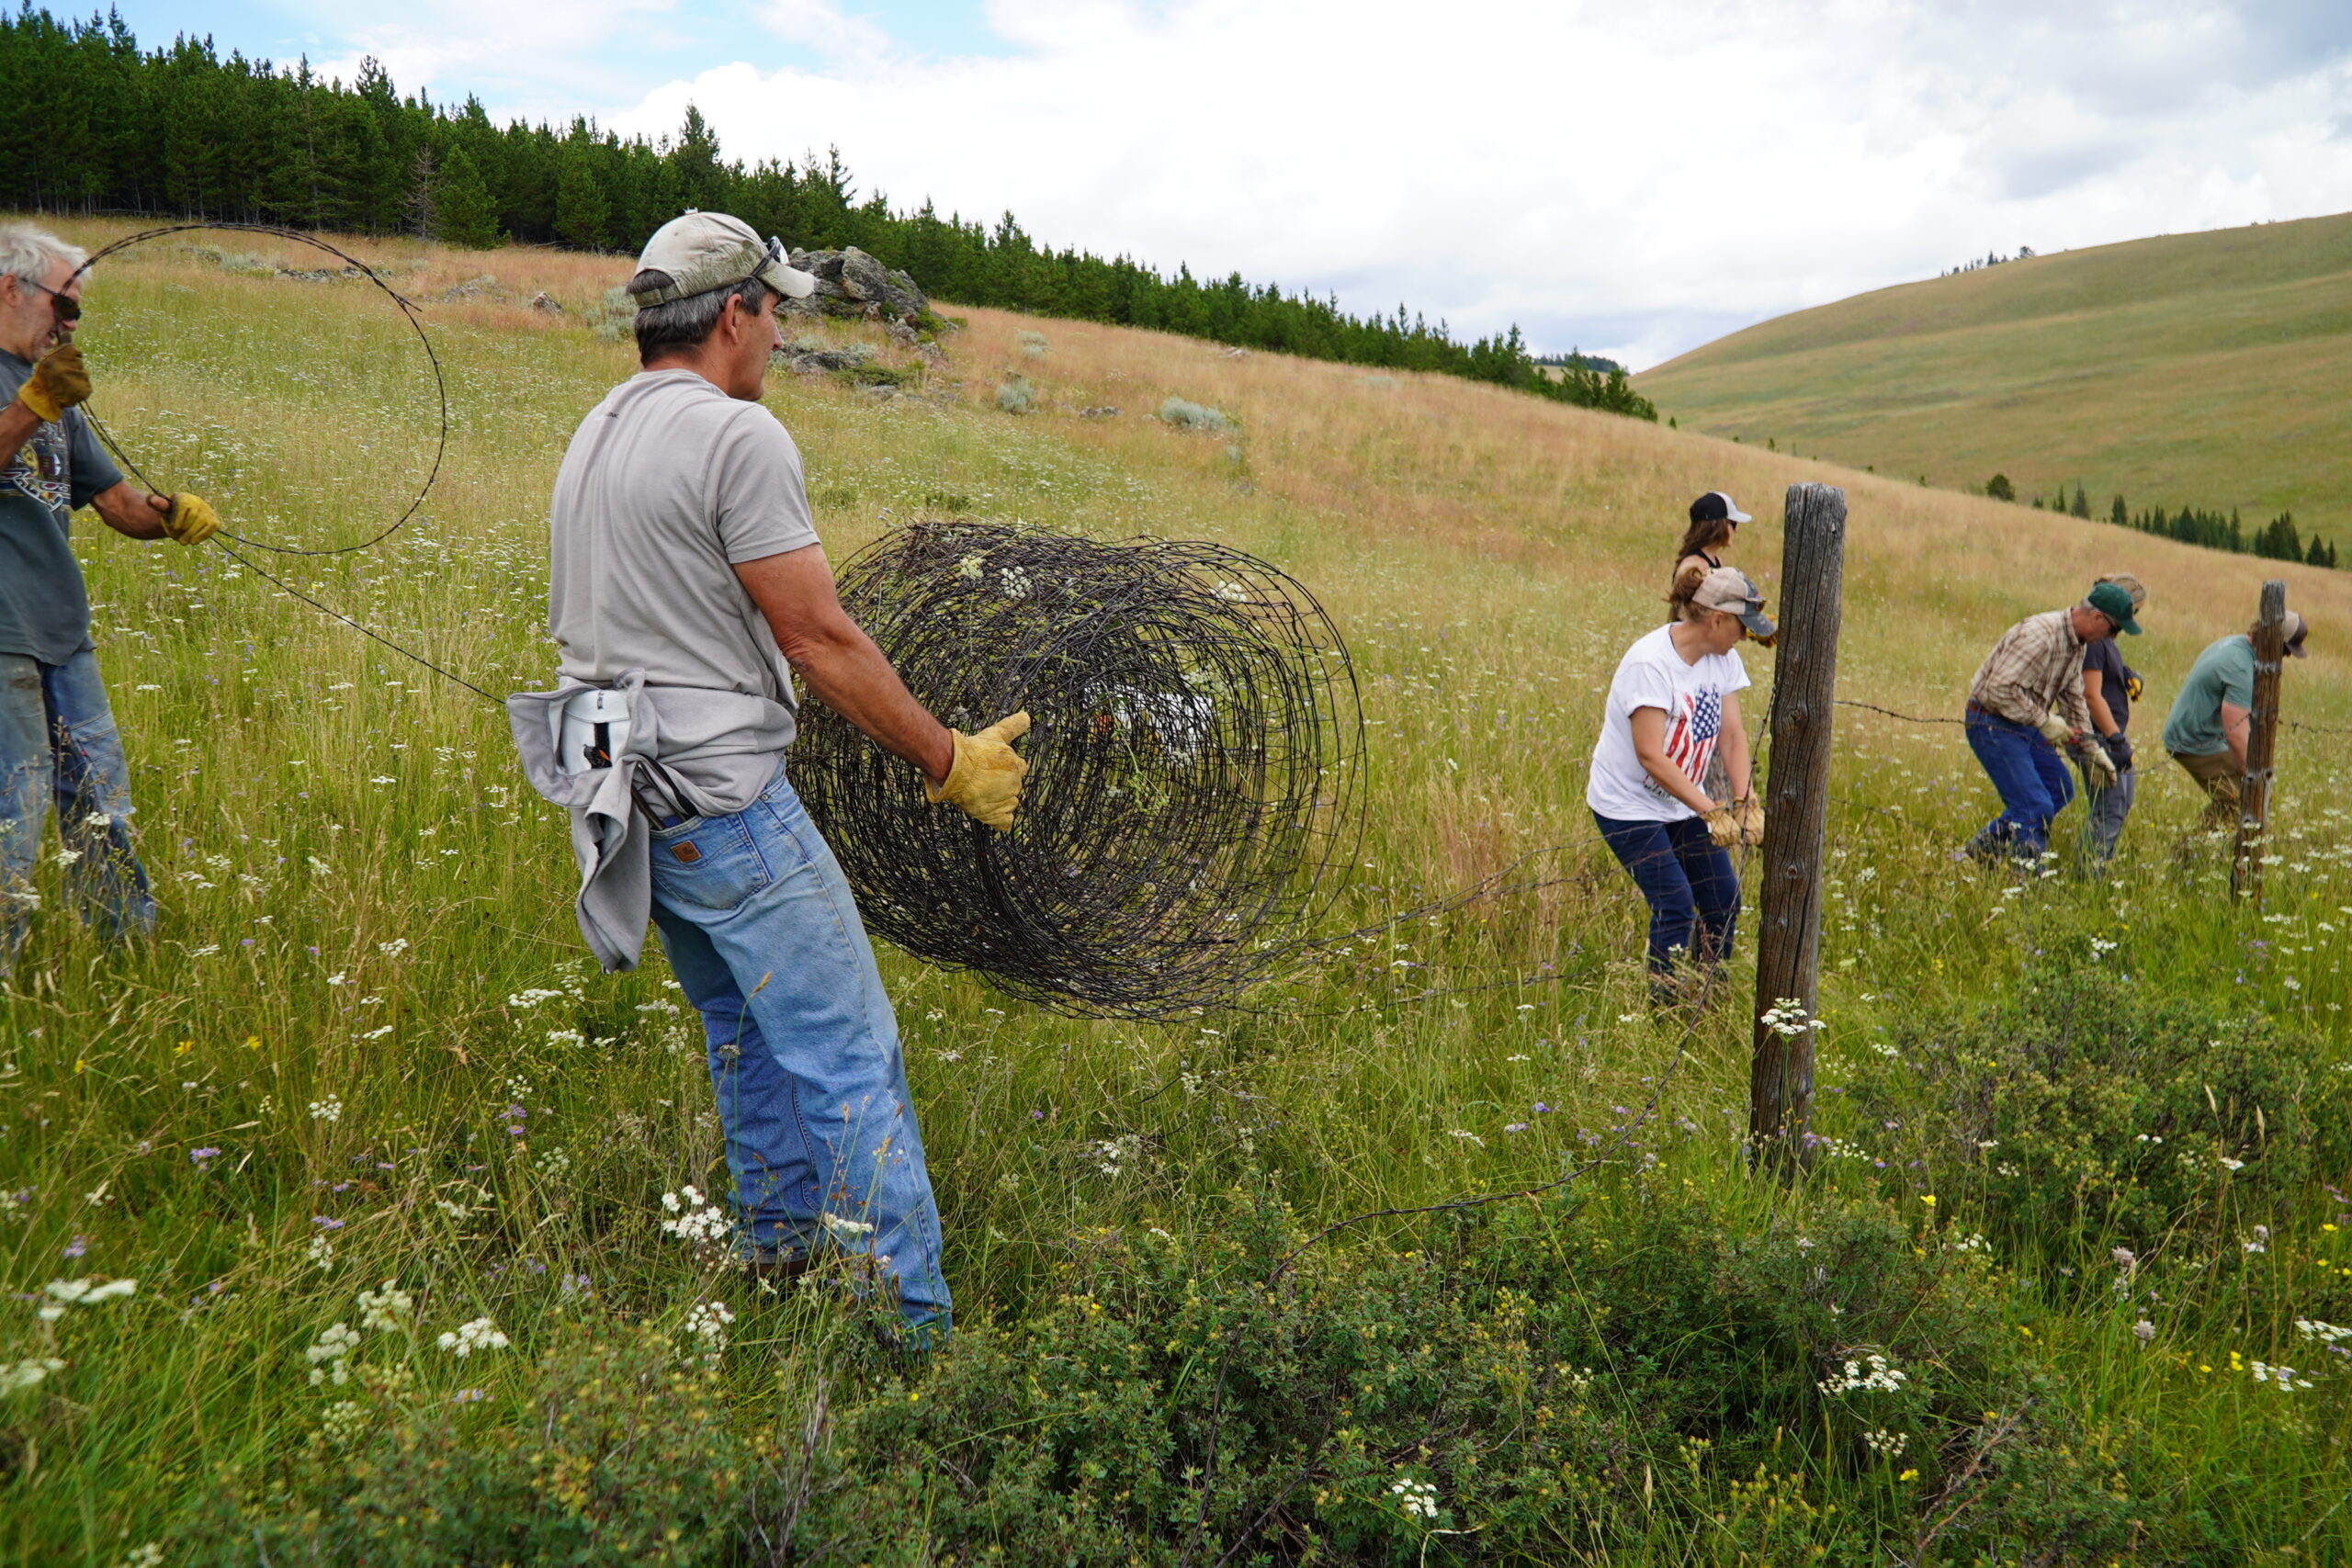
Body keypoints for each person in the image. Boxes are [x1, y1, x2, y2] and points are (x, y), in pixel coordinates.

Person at [514, 213, 1028, 1345]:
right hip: (719, 791)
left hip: (622, 784)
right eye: (777, 310)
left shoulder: (598, 428)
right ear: (732, 314)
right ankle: (909, 1332)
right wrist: (951, 761)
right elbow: (819, 639)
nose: (783, 335)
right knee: (848, 1056)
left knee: (743, 1030)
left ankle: (780, 1249)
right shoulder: (736, 437)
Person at [0, 222, 219, 976]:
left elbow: (115, 502)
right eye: (64, 305)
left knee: (102, 805)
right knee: (13, 820)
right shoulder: (36, 389)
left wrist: (171, 514)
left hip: (62, 633)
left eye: (76, 311)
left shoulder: (54, 390)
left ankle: (128, 956)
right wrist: (33, 402)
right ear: (11, 288)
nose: (69, 324)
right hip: (2, 639)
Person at [1588, 566, 1771, 1004]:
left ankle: (1709, 998)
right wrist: (1711, 809)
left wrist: (1745, 799)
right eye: (1742, 627)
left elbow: (1731, 736)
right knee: (1674, 906)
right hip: (1628, 805)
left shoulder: (1723, 659)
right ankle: (1663, 1008)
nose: (1745, 637)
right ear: (1717, 620)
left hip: (1682, 803)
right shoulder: (1650, 663)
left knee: (1723, 900)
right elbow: (1650, 755)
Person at [1962, 581, 2135, 863]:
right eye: (2114, 630)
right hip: (1991, 721)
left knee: (2060, 788)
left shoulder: (2076, 644)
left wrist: (2090, 748)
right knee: (2034, 807)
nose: (2113, 638)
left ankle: (1981, 850)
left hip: (2023, 726)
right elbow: (1997, 690)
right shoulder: (2040, 635)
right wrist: (2044, 721)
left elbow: (2073, 698)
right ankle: (2025, 882)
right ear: (2097, 618)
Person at [2160, 610, 2310, 835]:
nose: (2285, 658)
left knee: (2239, 798)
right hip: (2195, 741)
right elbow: (2236, 734)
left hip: (2196, 732)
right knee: (2242, 799)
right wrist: (2257, 777)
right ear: (2270, 640)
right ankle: (2190, 858)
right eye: (2285, 650)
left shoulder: (2234, 644)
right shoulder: (2241, 668)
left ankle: (2199, 852)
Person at [2078, 572, 2149, 865]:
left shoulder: (2106, 638)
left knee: (2121, 803)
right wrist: (2115, 740)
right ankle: (2089, 875)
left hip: (2112, 735)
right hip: (2101, 737)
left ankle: (2096, 865)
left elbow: (2104, 672)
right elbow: (2091, 695)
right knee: (2109, 809)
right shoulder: (2094, 640)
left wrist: (2127, 675)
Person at [1665, 491, 1751, 617]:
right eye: (1733, 524)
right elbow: (1685, 616)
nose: (1736, 530)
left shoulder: (1715, 561)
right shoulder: (1694, 566)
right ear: (1716, 525)